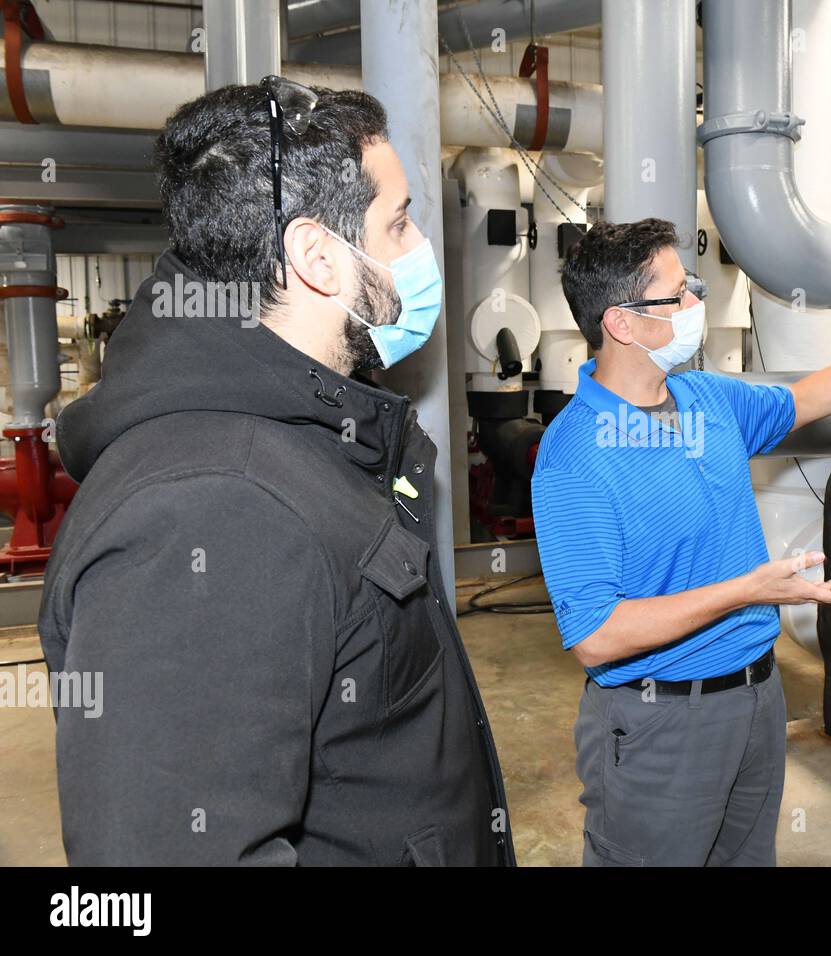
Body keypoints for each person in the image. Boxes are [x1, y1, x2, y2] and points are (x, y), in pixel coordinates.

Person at [37, 78, 513, 866]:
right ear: (317, 257)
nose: (417, 246)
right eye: (396, 223)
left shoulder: (311, 427)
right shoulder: (213, 510)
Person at [532, 218, 831, 866]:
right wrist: (746, 590)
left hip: (756, 700)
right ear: (621, 324)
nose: (697, 305)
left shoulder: (704, 398)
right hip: (662, 723)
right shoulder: (574, 456)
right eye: (677, 295)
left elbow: (801, 401)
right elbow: (597, 635)